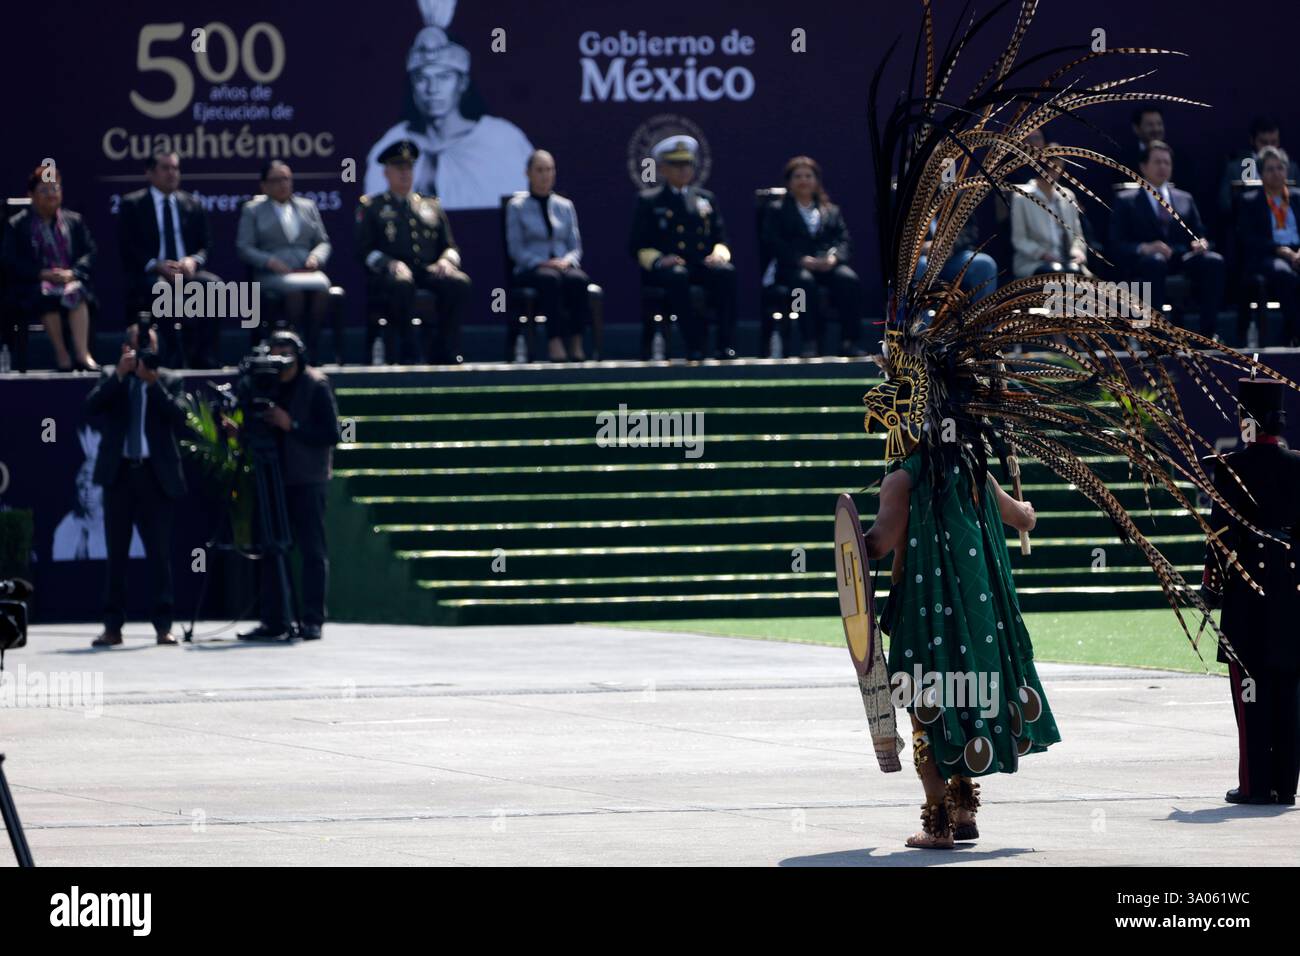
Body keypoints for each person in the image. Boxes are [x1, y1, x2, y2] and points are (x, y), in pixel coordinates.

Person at [1201, 375, 1300, 806]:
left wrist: (1211, 589)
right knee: (1288, 687)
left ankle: (1256, 784)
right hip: (1292, 589)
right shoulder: (1299, 464)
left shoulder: (1228, 467)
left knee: (1250, 688)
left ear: (1246, 421)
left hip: (1246, 587)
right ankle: (1285, 784)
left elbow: (1218, 536)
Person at [83, 321, 188, 648]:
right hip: (121, 477)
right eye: (137, 348)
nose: (143, 354)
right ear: (124, 350)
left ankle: (163, 626)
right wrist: (119, 375)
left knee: (159, 554)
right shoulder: (113, 378)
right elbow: (92, 407)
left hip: (155, 479)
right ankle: (112, 627)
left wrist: (152, 384)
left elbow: (180, 417)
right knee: (116, 556)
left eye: (149, 349)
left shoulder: (169, 380)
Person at [236, 330, 340, 642]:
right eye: (274, 351)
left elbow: (331, 434)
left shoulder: (316, 384)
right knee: (269, 546)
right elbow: (258, 426)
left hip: (307, 479)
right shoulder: (264, 383)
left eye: (285, 351)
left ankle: (312, 620)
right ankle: (274, 620)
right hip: (272, 477)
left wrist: (290, 424)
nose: (279, 359)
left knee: (312, 550)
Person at [364, 17, 532, 210]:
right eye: (422, 79)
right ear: (412, 86)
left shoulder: (502, 141)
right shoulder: (390, 145)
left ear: (462, 83)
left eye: (443, 77)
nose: (432, 89)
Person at [356, 139, 470, 364]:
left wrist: (447, 260)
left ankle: (445, 348)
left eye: (409, 168)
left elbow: (450, 246)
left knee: (459, 282)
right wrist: (389, 263)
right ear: (386, 172)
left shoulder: (430, 205)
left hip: (427, 270)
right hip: (392, 274)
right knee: (402, 285)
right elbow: (364, 251)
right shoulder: (373, 207)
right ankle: (410, 349)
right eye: (399, 168)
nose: (405, 173)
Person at [628, 135, 737, 361]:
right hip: (669, 268)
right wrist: (660, 260)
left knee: (726, 273)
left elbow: (721, 237)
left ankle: (725, 344)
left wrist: (718, 254)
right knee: (678, 277)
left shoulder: (705, 198)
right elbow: (637, 245)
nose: (683, 170)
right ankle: (694, 344)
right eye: (676, 165)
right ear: (663, 169)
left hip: (700, 264)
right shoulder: (650, 200)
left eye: (687, 164)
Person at [1108, 141, 1225, 339]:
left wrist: (1201, 243)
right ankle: (1156, 336)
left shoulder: (1184, 198)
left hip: (1181, 259)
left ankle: (1207, 334)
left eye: (1166, 163)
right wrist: (1145, 247)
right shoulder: (1126, 200)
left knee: (1213, 261)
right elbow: (1116, 244)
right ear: (1144, 167)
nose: (1163, 167)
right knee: (1155, 262)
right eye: (1157, 162)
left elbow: (1199, 234)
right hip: (1146, 264)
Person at [118, 151, 223, 368]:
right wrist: (156, 265)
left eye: (175, 168)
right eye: (165, 168)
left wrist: (193, 261)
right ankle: (170, 358)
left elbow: (206, 245)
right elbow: (128, 246)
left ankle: (205, 357)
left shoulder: (192, 203)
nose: (172, 173)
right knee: (160, 289)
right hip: (151, 275)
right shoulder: (133, 204)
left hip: (185, 273)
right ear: (150, 173)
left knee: (214, 286)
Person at [762, 156, 864, 357]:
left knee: (849, 280)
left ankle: (849, 341)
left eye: (808, 176)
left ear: (816, 181)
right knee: (803, 285)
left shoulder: (830, 210)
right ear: (789, 182)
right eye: (798, 176)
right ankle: (809, 340)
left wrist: (833, 259)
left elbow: (843, 241)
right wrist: (800, 259)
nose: (803, 181)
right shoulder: (777, 210)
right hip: (792, 269)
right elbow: (772, 243)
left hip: (826, 266)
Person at [2, 165, 99, 371]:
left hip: (69, 281)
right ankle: (62, 355)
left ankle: (82, 354)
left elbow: (90, 252)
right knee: (46, 296)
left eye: (55, 189)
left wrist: (73, 273)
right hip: (35, 285)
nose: (51, 195)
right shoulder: (18, 224)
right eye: (44, 190)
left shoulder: (74, 221)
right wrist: (41, 274)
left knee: (77, 292)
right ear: (31, 195)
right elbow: (10, 262)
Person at [236, 160, 333, 347]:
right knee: (294, 292)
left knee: (322, 288)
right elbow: (244, 247)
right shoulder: (252, 210)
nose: (283, 184)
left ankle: (311, 348)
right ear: (264, 185)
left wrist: (316, 257)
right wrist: (269, 261)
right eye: (276, 180)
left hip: (306, 271)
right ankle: (292, 347)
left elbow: (323, 242)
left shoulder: (308, 206)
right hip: (272, 274)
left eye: (286, 179)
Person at [505, 150, 591, 362]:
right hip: (531, 269)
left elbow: (575, 246)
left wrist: (567, 261)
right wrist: (541, 262)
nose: (546, 175)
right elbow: (516, 249)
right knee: (549, 279)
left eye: (550, 170)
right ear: (528, 173)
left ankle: (576, 340)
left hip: (562, 266)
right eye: (540, 170)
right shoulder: (516, 207)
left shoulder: (565, 206)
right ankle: (554, 341)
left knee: (579, 279)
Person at [1235, 146, 1300, 346]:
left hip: (1297, 252)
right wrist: (1279, 250)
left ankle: (1287, 334)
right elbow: (1248, 238)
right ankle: (1296, 333)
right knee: (1284, 274)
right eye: (1270, 169)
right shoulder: (1250, 201)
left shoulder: (1297, 198)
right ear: (1261, 174)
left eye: (1280, 168)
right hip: (1268, 256)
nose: (1276, 173)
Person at [1010, 148, 1089, 278]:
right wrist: (1043, 254)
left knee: (1073, 272)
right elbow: (1019, 239)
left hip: (1067, 260)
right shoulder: (1021, 197)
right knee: (1055, 273)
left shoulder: (1068, 195)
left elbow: (1077, 235)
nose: (1057, 173)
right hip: (1035, 262)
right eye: (1053, 168)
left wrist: (1077, 251)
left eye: (1060, 169)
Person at [1218, 116, 1300, 216]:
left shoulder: (1292, 168)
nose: (1269, 147)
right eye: (1264, 142)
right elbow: (1225, 205)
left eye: (1274, 142)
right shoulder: (1235, 169)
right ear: (1252, 140)